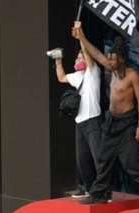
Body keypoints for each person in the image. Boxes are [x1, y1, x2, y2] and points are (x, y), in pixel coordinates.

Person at [72, 23, 139, 207]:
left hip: (128, 123)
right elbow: (95, 54)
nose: (109, 62)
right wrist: (81, 36)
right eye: (109, 58)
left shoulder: (132, 75)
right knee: (103, 158)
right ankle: (100, 194)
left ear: (122, 58)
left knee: (133, 163)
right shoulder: (111, 69)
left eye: (113, 58)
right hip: (111, 122)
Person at [53, 46, 102, 197]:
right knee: (82, 159)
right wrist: (58, 60)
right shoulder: (77, 76)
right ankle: (89, 189)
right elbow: (61, 77)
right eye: (77, 57)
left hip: (93, 120)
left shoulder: (93, 72)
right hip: (80, 123)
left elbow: (88, 54)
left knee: (98, 157)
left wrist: (81, 40)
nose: (77, 60)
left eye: (80, 57)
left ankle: (103, 190)